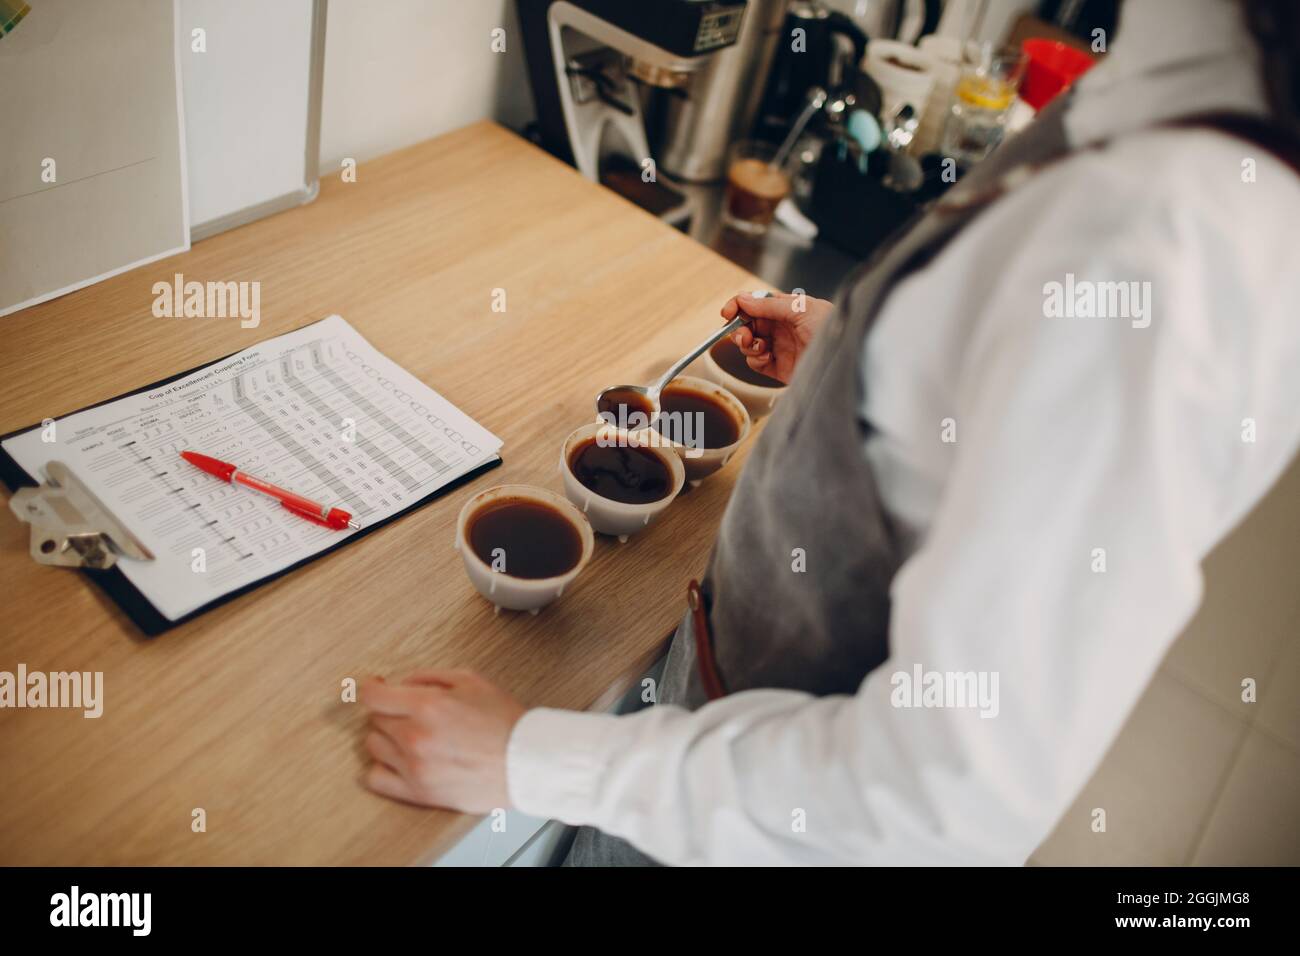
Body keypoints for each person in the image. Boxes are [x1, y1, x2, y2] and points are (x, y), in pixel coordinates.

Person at [357, 0, 1300, 865]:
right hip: (722, 683)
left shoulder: (1161, 240)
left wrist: (530, 759)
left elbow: (938, 798)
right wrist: (874, 372)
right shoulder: (1173, 93)